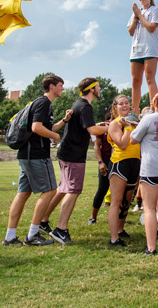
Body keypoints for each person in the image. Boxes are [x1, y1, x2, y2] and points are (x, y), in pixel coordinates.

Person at [2, 74, 71, 247]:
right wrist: (55, 136)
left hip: (26, 155)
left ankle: (10, 236)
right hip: (36, 155)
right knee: (50, 190)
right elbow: (37, 128)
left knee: (23, 193)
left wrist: (64, 121)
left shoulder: (40, 103)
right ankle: (32, 235)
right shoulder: (43, 103)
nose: (63, 88)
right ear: (52, 86)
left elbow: (47, 127)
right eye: (61, 85)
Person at [42, 78, 107, 244]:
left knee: (64, 188)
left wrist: (101, 124)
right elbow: (92, 130)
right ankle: (60, 229)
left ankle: (43, 220)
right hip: (73, 155)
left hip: (67, 152)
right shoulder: (85, 106)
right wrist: (112, 127)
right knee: (73, 190)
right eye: (98, 86)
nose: (100, 89)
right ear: (92, 89)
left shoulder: (79, 104)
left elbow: (87, 125)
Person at [120, 91, 158, 255]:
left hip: (152, 167)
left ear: (155, 103)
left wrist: (130, 125)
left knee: (149, 208)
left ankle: (151, 247)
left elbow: (133, 139)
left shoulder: (149, 119)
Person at [106, 94, 141, 247]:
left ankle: (120, 229)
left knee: (127, 200)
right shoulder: (115, 124)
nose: (125, 106)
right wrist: (127, 126)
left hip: (134, 162)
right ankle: (114, 238)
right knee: (117, 201)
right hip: (120, 163)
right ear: (116, 107)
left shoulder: (134, 123)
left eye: (127, 103)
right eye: (121, 104)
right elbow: (122, 144)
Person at [128, 0, 158, 115]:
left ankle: (153, 109)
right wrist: (135, 17)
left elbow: (151, 27)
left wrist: (140, 16)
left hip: (150, 49)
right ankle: (135, 111)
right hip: (136, 50)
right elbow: (131, 31)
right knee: (135, 81)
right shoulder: (135, 13)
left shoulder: (155, 10)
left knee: (149, 79)